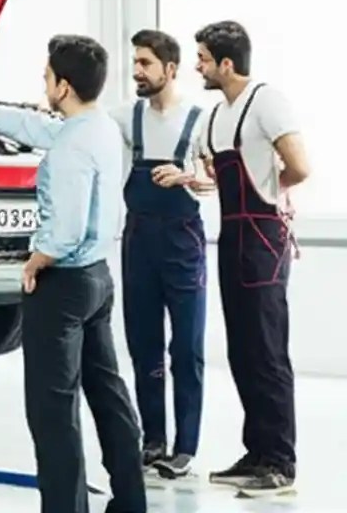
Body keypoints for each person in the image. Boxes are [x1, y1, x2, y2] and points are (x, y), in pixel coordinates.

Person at [0, 35, 145, 513]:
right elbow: (36, 126)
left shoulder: (71, 147)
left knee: (52, 409)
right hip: (98, 279)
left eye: (46, 77)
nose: (43, 84)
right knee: (107, 393)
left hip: (62, 285)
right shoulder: (99, 128)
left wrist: (37, 260)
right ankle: (130, 501)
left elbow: (67, 228)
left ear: (63, 86)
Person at [193, 21, 309, 497]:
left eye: (203, 58)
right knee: (242, 350)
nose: (197, 66)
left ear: (226, 63)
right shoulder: (216, 116)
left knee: (267, 351)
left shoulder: (267, 101)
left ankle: (280, 462)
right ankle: (257, 453)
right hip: (232, 239)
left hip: (263, 238)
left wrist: (271, 193)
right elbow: (213, 173)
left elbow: (299, 166)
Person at [113, 29, 213, 479]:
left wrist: (187, 177)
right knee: (143, 344)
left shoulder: (199, 119)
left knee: (186, 347)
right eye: (135, 62)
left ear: (170, 69)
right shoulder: (125, 116)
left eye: (145, 63)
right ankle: (152, 439)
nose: (137, 71)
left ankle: (185, 447)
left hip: (182, 241)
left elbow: (217, 179)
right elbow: (80, 127)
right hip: (138, 240)